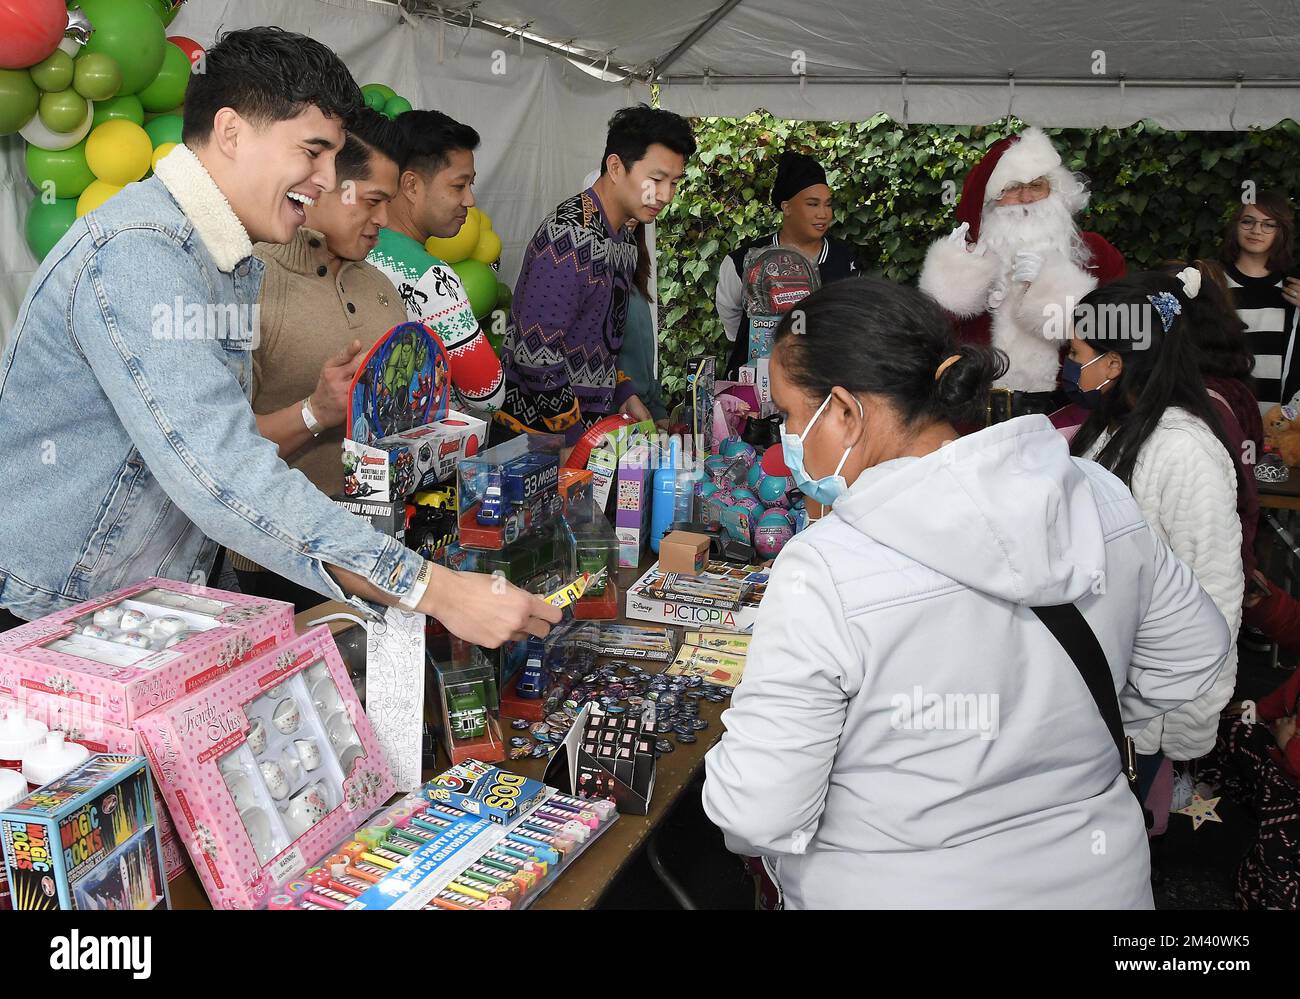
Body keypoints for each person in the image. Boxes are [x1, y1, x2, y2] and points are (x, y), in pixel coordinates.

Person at [0, 28, 559, 648]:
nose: (325, 180)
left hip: (142, 607)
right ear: (233, 131)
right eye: (313, 151)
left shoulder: (231, 261)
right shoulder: (141, 253)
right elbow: (222, 471)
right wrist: (435, 589)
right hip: (51, 616)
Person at [702, 277, 1230, 909]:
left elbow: (756, 812)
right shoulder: (1097, 496)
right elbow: (1195, 654)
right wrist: (1072, 741)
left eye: (789, 415)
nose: (786, 438)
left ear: (844, 411)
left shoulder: (825, 570)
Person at [227, 108, 410, 611]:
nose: (383, 221)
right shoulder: (252, 285)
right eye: (372, 201)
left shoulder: (380, 287)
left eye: (388, 204)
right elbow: (215, 451)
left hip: (383, 544)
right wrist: (314, 411)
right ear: (322, 185)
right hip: (283, 562)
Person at [1067, 273, 1243, 794]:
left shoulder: (1185, 451)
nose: (1070, 364)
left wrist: (1180, 718)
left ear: (1115, 363)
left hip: (1141, 709)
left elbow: (1214, 594)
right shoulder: (1111, 428)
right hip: (1101, 689)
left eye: (1077, 352)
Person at [494, 104, 695, 453]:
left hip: (586, 439)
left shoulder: (623, 240)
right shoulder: (567, 236)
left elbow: (599, 344)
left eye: (674, 183)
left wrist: (624, 392)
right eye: (656, 179)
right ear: (616, 167)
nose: (665, 195)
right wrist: (573, 438)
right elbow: (535, 355)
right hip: (536, 446)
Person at [919, 127, 1125, 421]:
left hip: (1071, 416)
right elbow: (933, 341)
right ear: (990, 201)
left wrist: (1053, 287)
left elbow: (1127, 331)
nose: (1027, 197)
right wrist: (955, 276)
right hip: (976, 421)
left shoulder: (1096, 254)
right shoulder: (970, 255)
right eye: (1012, 187)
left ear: (1057, 190)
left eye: (1037, 185)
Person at [367, 109, 504, 417]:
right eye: (459, 185)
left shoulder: (358, 249)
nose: (470, 200)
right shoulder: (432, 278)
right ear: (412, 186)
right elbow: (489, 394)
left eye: (471, 185)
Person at [715, 150, 859, 378]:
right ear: (787, 207)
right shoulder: (743, 260)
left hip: (821, 385)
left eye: (828, 204)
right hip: (753, 389)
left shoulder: (843, 259)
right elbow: (730, 319)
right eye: (812, 204)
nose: (823, 214)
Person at [1218, 191, 1299, 411]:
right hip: (1225, 417)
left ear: (1280, 231)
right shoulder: (1213, 283)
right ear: (1235, 225)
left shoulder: (1293, 289)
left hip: (1280, 426)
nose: (1256, 231)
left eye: (1268, 224)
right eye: (1248, 221)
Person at [619, 222, 670, 428]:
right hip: (613, 420)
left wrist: (658, 412)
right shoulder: (595, 277)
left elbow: (643, 360)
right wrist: (625, 395)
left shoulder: (634, 279)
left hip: (639, 416)